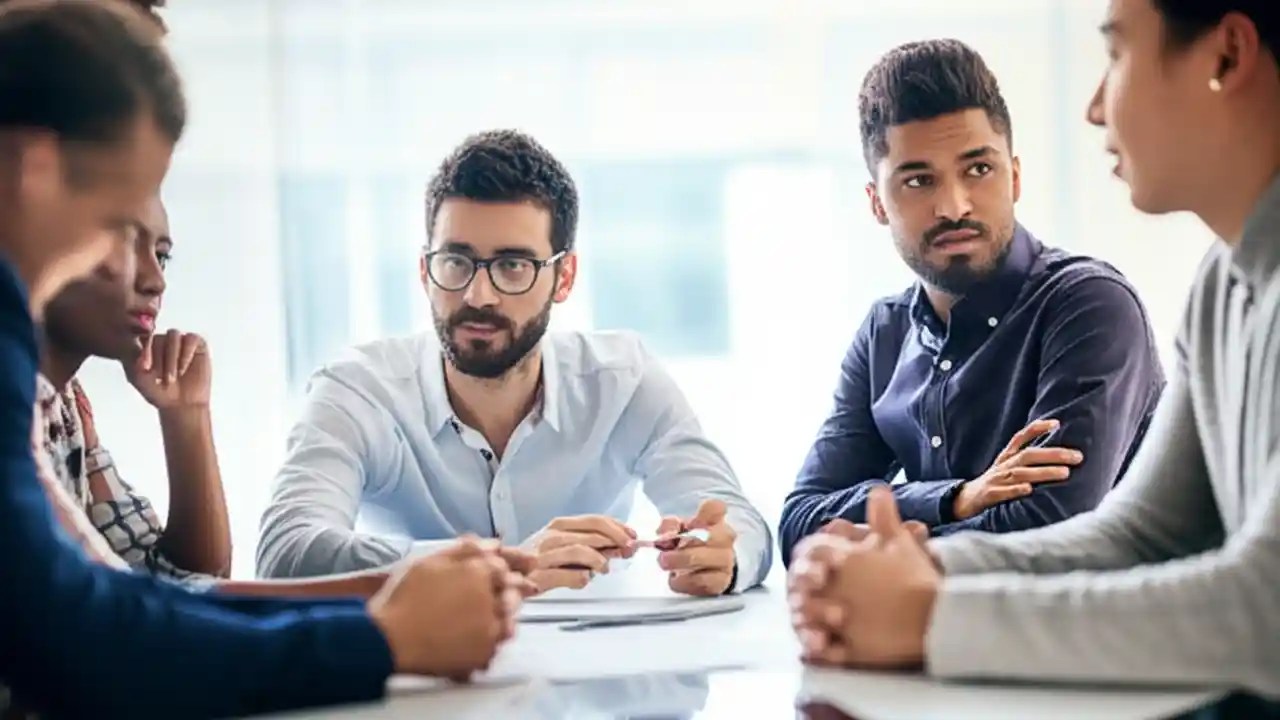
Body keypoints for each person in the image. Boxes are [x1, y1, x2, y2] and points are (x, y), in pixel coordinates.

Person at [0, 3, 530, 718]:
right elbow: (77, 635)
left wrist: (391, 611)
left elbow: (132, 593)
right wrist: (383, 636)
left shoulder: (53, 395)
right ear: (38, 166)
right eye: (116, 227)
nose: (138, 272)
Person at [789, 0, 1280, 704]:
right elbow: (1140, 536)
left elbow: (1268, 609)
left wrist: (929, 615)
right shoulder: (1222, 281)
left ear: (1226, 58)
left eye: (1115, 54)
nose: (1093, 108)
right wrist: (880, 582)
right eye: (919, 179)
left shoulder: (1089, 299)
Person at [258, 129, 773, 596]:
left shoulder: (624, 381)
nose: (479, 294)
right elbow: (284, 553)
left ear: (564, 277)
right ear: (424, 271)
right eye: (456, 262)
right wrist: (499, 565)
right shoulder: (359, 391)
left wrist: (720, 555)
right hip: (422, 687)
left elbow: (741, 526)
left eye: (512, 266)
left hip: (590, 685)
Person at [776, 38, 1165, 563]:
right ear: (877, 203)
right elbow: (801, 524)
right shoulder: (884, 335)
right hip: (929, 637)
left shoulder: (1090, 307)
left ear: (1015, 176)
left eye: (978, 169)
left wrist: (878, 550)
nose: (953, 205)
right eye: (918, 180)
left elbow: (1049, 532)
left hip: (1090, 637)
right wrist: (957, 499)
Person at [38, 193, 394, 597]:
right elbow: (113, 613)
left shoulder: (67, 407)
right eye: (125, 247)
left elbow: (179, 578)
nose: (156, 281)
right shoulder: (22, 407)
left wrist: (187, 415)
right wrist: (377, 601)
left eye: (161, 255)